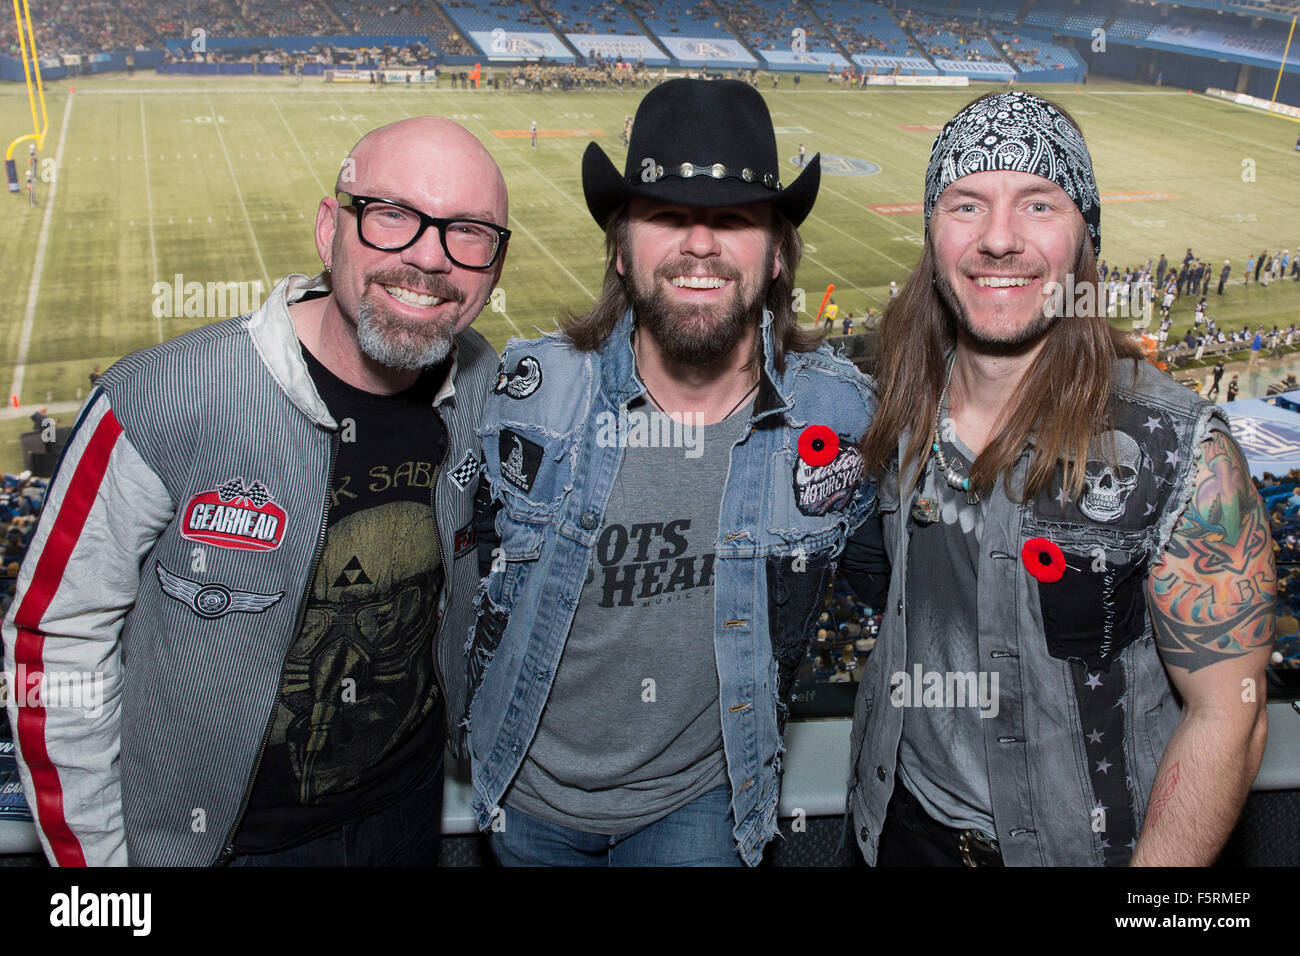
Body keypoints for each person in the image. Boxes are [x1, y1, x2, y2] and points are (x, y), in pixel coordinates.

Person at [2, 117, 509, 866]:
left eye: (468, 231)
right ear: (329, 228)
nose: (428, 258)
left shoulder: (483, 388)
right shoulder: (156, 399)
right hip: (219, 849)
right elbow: (55, 646)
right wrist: (100, 879)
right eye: (393, 216)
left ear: (495, 267)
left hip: (408, 817)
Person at [467, 79, 884, 867]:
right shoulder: (526, 395)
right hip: (526, 790)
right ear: (621, 250)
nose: (700, 244)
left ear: (779, 255)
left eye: (733, 220)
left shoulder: (838, 417)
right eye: (667, 215)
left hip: (703, 802)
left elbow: (914, 584)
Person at [851, 91, 1273, 867]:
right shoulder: (899, 404)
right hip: (899, 829)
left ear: (1085, 241)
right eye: (967, 203)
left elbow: (1230, 717)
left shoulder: (1177, 447)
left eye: (1038, 203)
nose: (999, 239)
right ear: (932, 234)